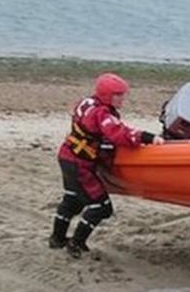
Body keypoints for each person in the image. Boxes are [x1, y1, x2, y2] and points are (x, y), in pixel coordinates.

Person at [48, 73, 164, 258]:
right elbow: (118, 133)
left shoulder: (86, 103)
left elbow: (96, 131)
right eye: (118, 95)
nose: (122, 99)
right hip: (80, 164)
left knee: (72, 200)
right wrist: (148, 137)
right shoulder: (101, 113)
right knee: (101, 206)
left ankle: (57, 238)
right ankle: (76, 243)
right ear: (108, 95)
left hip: (67, 156)